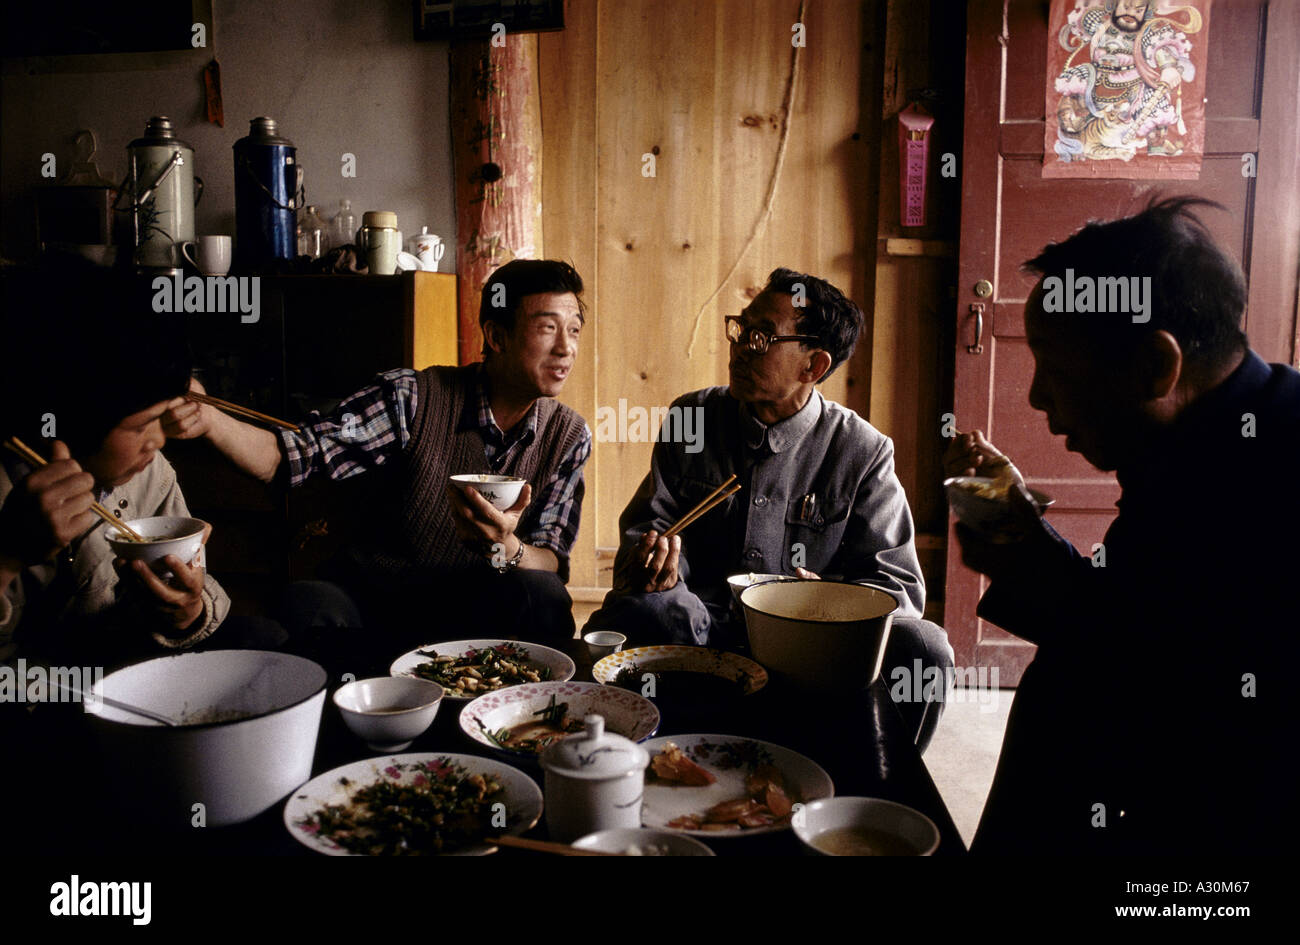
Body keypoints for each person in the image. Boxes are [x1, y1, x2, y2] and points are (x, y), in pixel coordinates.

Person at [947, 197, 1300, 854]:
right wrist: (1021, 538)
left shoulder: (1273, 482)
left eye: (1053, 366)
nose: (1035, 398)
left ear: (1154, 366)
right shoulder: (1206, 435)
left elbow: (1178, 707)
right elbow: (1141, 629)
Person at [585, 268, 953, 751]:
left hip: (806, 645)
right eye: (741, 328)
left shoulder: (862, 451)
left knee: (924, 648)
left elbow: (898, 589)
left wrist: (830, 606)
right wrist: (659, 563)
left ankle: (878, 784)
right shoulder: (692, 418)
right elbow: (649, 522)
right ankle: (652, 762)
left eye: (761, 337)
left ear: (813, 366)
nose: (740, 347)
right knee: (641, 611)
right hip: (696, 624)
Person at [165, 259, 591, 649]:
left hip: (474, 608)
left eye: (573, 330)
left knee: (543, 594)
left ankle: (531, 717)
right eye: (547, 328)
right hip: (375, 600)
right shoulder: (412, 398)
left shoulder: (567, 435)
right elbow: (292, 457)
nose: (566, 348)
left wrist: (506, 545)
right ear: (496, 336)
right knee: (306, 605)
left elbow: (550, 557)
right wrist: (211, 420)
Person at [0, 267, 230, 667]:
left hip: (120, 672)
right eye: (143, 425)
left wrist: (187, 613)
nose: (159, 440)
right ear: (76, 420)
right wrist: (7, 559)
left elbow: (189, 586)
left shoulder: (148, 474)